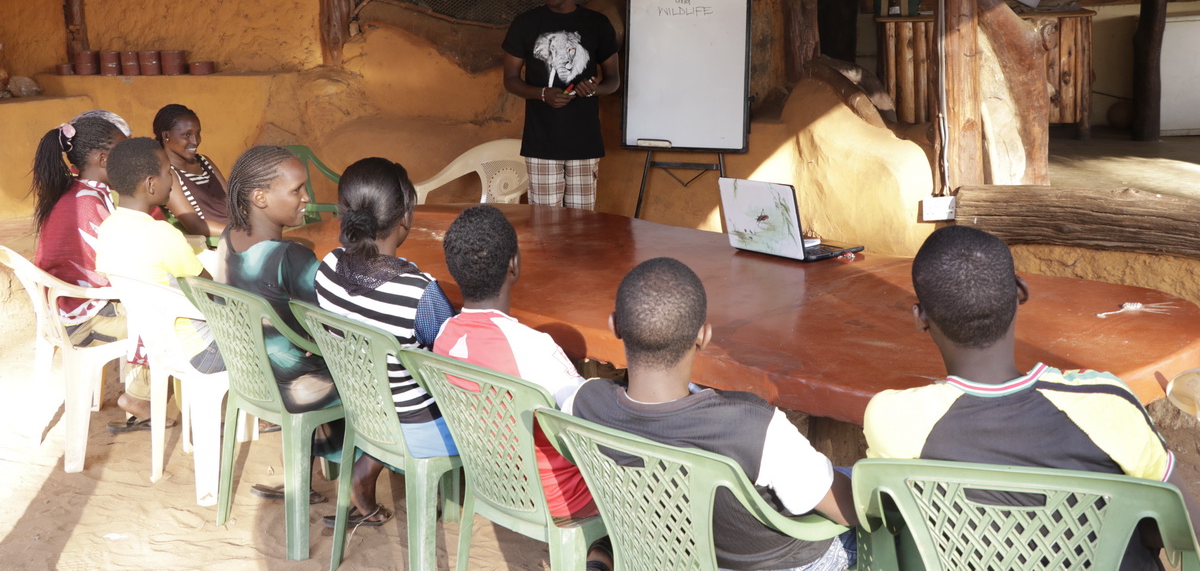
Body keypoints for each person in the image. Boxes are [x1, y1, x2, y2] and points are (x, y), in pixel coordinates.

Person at [864, 225, 1199, 571]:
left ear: (921, 319)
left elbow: (891, 519)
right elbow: (1179, 530)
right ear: (1021, 291)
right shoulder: (1106, 404)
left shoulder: (891, 418)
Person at [565, 257, 858, 571]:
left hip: (670, 547)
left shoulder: (584, 404)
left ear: (615, 326)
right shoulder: (754, 427)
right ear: (703, 336)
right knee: (868, 490)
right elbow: (850, 510)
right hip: (777, 561)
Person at [434, 204, 613, 570]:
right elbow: (587, 420)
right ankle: (602, 554)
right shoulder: (534, 348)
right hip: (558, 495)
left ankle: (599, 555)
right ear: (513, 264)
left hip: (491, 479)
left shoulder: (443, 337)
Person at [313, 157, 456, 527]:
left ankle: (366, 465)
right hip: (416, 430)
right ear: (405, 217)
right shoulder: (419, 292)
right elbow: (454, 363)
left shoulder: (327, 267)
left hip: (361, 412)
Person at [219, 144, 341, 503]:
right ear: (259, 197)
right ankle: (363, 487)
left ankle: (301, 477)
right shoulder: (290, 257)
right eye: (296, 190)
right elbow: (331, 324)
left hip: (254, 374)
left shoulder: (229, 238)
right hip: (298, 385)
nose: (306, 199)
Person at [93, 137, 208, 431]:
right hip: (198, 347)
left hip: (157, 345)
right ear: (151, 184)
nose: (174, 179)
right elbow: (210, 291)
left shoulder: (108, 228)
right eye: (169, 171)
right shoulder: (163, 233)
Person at [502, 0, 621, 210]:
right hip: (541, 143)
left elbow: (613, 80)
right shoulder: (526, 23)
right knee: (544, 226)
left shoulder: (597, 24)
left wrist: (593, 90)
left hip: (584, 143)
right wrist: (543, 94)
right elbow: (510, 79)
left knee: (581, 226)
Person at [32, 116, 128, 343]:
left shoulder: (80, 191)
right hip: (81, 318)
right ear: (103, 159)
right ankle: (135, 380)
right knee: (170, 324)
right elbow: (119, 267)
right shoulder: (86, 203)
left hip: (67, 309)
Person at [153, 104, 228, 238]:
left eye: (197, 133)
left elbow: (231, 201)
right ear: (166, 135)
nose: (195, 141)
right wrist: (245, 234)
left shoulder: (204, 161)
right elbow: (196, 226)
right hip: (216, 243)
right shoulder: (166, 173)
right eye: (186, 135)